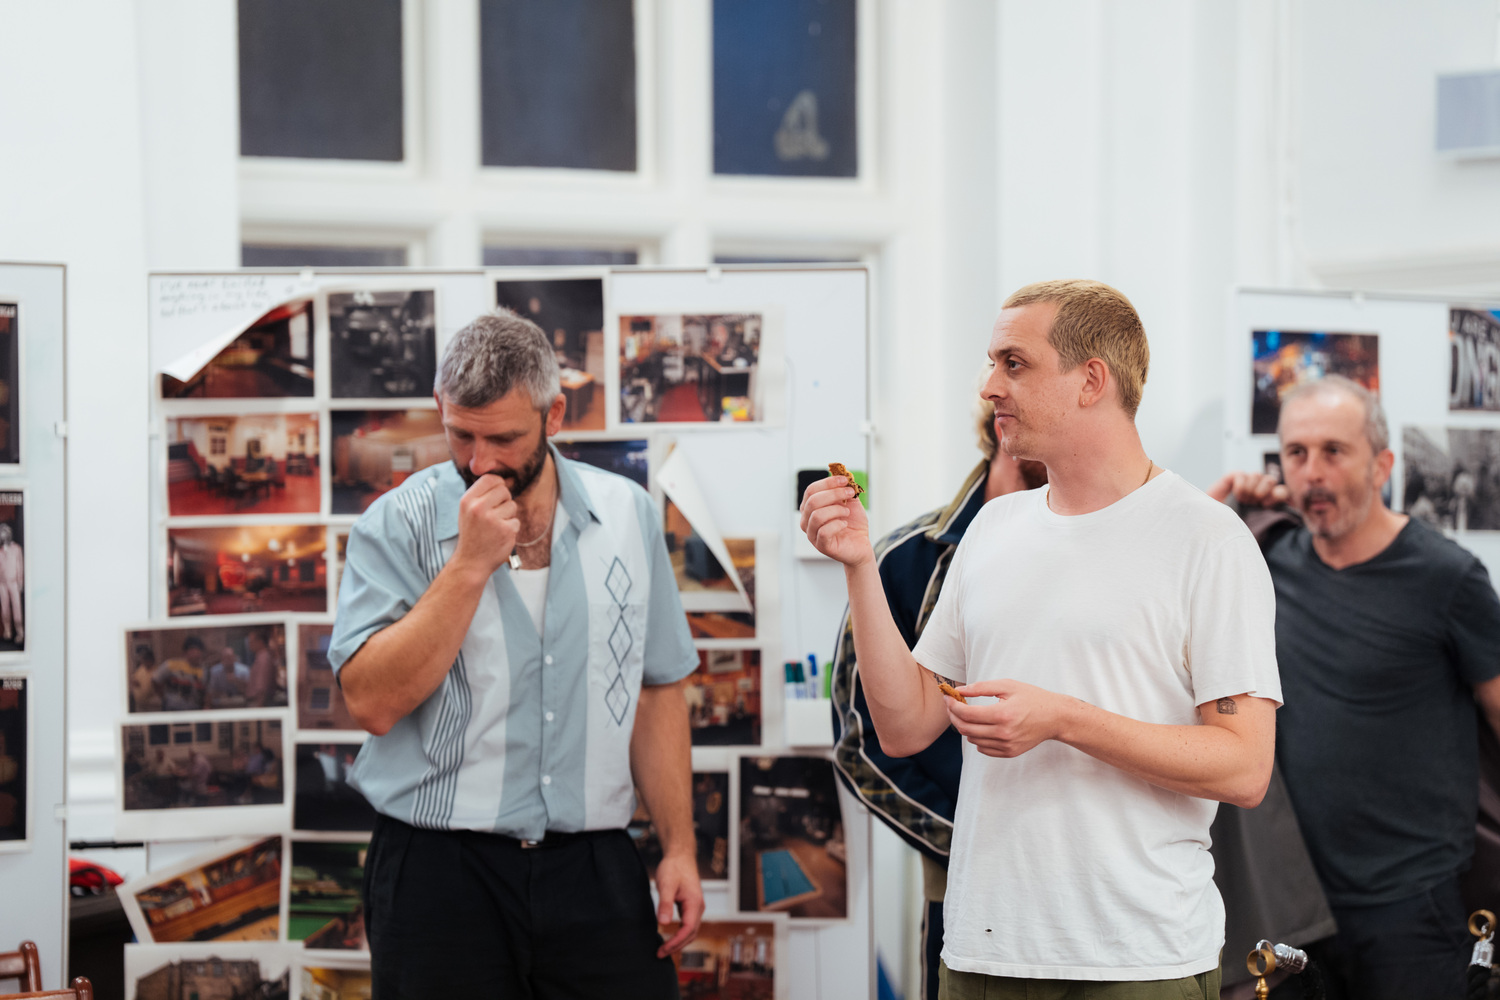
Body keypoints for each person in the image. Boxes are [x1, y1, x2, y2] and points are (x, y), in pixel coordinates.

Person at [801, 279, 1280, 999]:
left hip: (1137, 959)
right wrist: (860, 566)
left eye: (1014, 364)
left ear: (1092, 380)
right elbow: (904, 727)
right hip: (982, 952)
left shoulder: (1208, 539)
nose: (989, 385)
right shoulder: (994, 529)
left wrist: (1063, 719)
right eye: (992, 363)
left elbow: (1244, 767)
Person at [331, 308, 703, 999]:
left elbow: (658, 690)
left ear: (553, 414)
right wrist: (468, 565)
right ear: (440, 407)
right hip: (438, 872)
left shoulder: (628, 514)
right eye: (461, 435)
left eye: (503, 438)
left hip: (595, 866)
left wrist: (679, 847)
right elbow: (371, 703)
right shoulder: (396, 523)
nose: (480, 462)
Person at [1210, 375, 1500, 1000]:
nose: (1312, 472)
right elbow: (1178, 591)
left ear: (1382, 465)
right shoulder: (1268, 560)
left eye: (1334, 451)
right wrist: (1222, 507)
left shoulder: (1448, 577)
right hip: (1297, 906)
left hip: (1413, 907)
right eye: (1296, 453)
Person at [829, 394, 1046, 1000]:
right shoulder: (906, 560)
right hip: (962, 892)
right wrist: (969, 841)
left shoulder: (1096, 553)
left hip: (1094, 896)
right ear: (1003, 424)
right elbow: (860, 743)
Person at [154, 636, 206, 711]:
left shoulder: (205, 671)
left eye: (199, 651)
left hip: (194, 711)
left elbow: (207, 693)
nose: (196, 654)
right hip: (172, 710)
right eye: (192, 651)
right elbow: (155, 679)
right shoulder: (172, 665)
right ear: (185, 652)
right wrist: (163, 697)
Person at [204, 645, 249, 709]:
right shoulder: (215, 671)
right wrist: (207, 706)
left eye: (230, 657)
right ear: (222, 659)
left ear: (234, 658)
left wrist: (236, 681)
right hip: (221, 704)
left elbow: (248, 691)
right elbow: (211, 691)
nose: (228, 660)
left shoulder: (244, 670)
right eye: (225, 658)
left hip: (240, 704)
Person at [0, 522, 22, 646]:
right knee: (5, 609)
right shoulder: (1, 551)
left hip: (14, 582)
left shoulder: (16, 549)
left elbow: (20, 565)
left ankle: (20, 632)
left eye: (5, 533)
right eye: (1, 533)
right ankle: (7, 631)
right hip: (2, 584)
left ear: (9, 534)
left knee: (17, 608)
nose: (3, 536)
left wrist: (20, 581)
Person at [243, 627, 278, 707]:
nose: (249, 644)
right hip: (256, 701)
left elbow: (261, 688)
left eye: (251, 641)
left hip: (258, 702)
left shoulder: (263, 659)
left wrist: (259, 708)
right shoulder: (260, 657)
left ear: (260, 642)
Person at [129, 644, 162, 713]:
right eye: (142, 660)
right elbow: (135, 679)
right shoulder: (141, 668)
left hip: (152, 705)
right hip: (140, 704)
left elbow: (157, 688)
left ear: (150, 660)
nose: (142, 662)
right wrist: (135, 682)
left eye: (144, 660)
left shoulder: (157, 671)